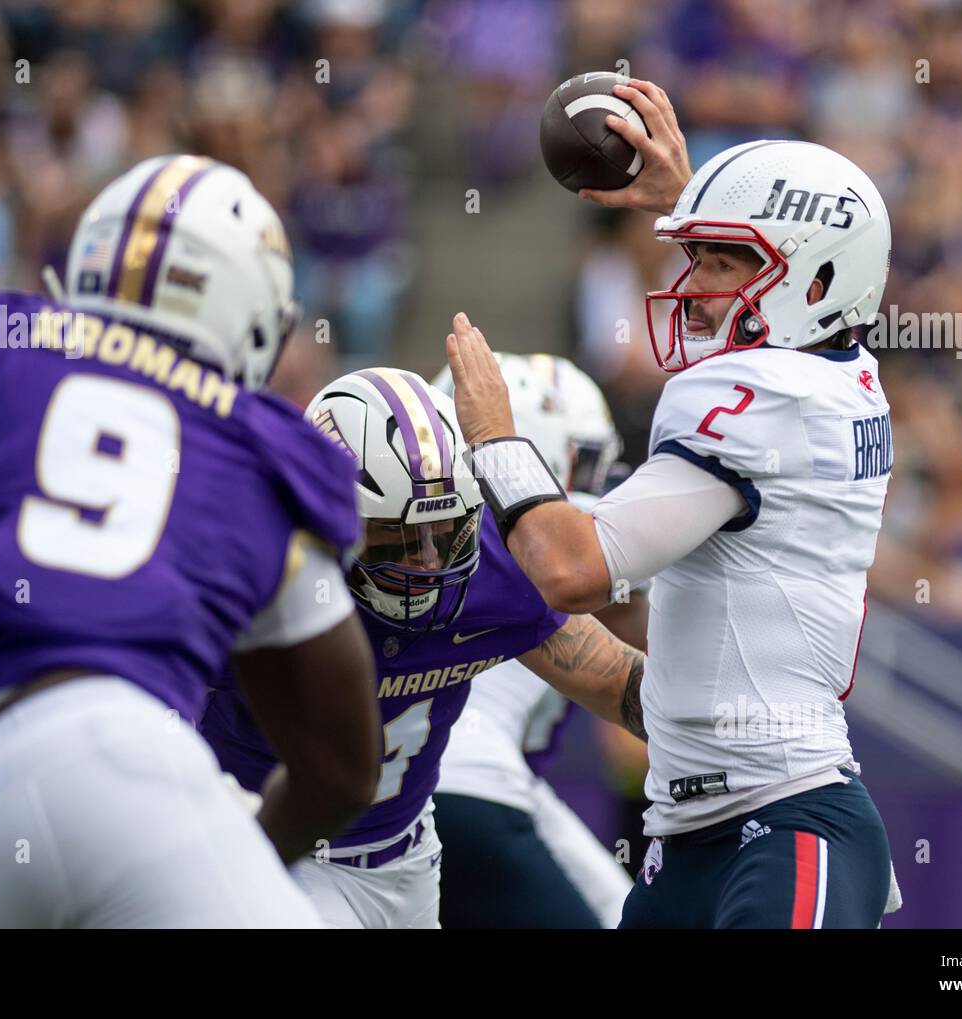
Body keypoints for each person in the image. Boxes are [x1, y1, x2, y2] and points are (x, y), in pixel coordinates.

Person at [0, 153, 382, 928]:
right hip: (119, 768)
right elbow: (343, 771)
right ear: (256, 315)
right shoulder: (258, 448)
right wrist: (232, 848)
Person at [444, 79, 897, 928]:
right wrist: (701, 200)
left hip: (786, 823)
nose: (691, 286)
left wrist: (495, 438)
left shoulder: (757, 395)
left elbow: (568, 568)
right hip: (685, 840)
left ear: (813, 275)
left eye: (721, 261)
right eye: (698, 257)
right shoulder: (842, 376)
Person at [201, 366, 647, 929]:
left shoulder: (495, 562)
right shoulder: (266, 572)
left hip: (410, 852)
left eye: (445, 530)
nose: (429, 562)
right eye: (400, 537)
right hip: (277, 850)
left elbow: (618, 683)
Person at [431, 353, 635, 928]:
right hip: (470, 788)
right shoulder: (528, 556)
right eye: (586, 460)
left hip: (418, 794)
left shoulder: (414, 542)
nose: (602, 482)